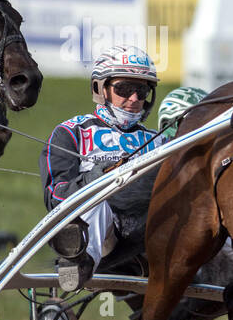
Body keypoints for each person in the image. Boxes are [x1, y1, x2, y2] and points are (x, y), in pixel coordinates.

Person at [41, 44, 164, 290]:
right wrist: (95, 178)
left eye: (141, 91)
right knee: (96, 200)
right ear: (101, 89)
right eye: (124, 89)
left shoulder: (160, 140)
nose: (134, 99)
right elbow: (55, 196)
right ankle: (79, 263)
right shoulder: (71, 132)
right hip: (105, 229)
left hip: (152, 223)